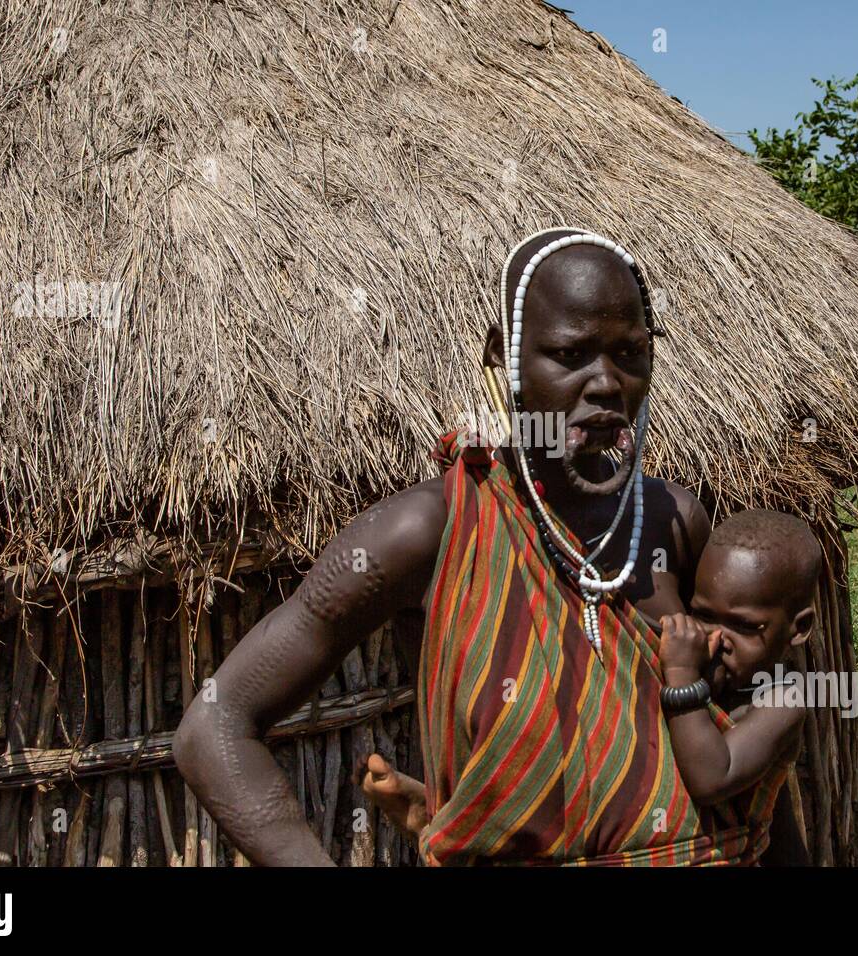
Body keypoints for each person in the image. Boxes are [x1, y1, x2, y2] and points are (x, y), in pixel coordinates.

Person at [174, 227, 742, 865]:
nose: (607, 382)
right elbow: (214, 727)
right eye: (570, 353)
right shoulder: (433, 528)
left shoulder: (671, 522)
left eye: (630, 353)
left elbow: (753, 762)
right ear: (505, 353)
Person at [362, 508, 818, 865]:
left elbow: (711, 777)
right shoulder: (698, 658)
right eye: (705, 615)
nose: (717, 639)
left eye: (744, 627)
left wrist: (681, 678)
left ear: (799, 629)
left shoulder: (783, 698)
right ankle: (461, 820)